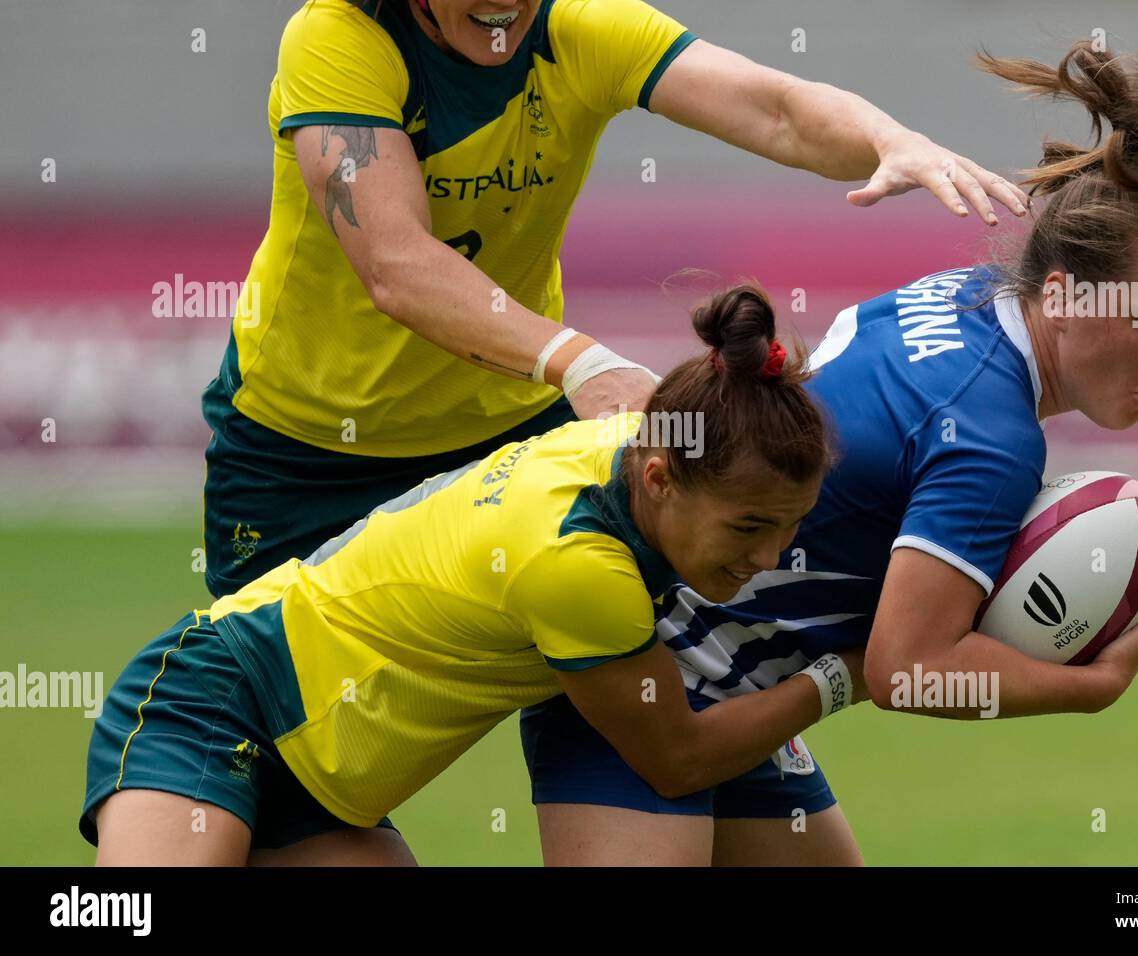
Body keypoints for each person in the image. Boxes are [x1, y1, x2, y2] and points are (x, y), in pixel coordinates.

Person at [521, 39, 1138, 866]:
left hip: (739, 682)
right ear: (1064, 294)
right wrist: (1089, 688)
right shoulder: (993, 440)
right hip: (645, 669)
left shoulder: (954, 298)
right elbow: (907, 670)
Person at [201, 0, 1030, 597]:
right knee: (277, 780)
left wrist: (889, 137)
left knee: (654, 695)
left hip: (511, 434)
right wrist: (581, 363)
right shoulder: (338, 36)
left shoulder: (584, 27)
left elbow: (777, 112)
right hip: (301, 454)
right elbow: (397, 262)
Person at [83, 285, 868, 865]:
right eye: (747, 528)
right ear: (659, 479)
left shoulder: (638, 440)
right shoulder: (579, 565)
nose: (768, 558)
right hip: (217, 704)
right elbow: (678, 757)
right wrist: (849, 675)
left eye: (789, 524)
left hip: (320, 786)